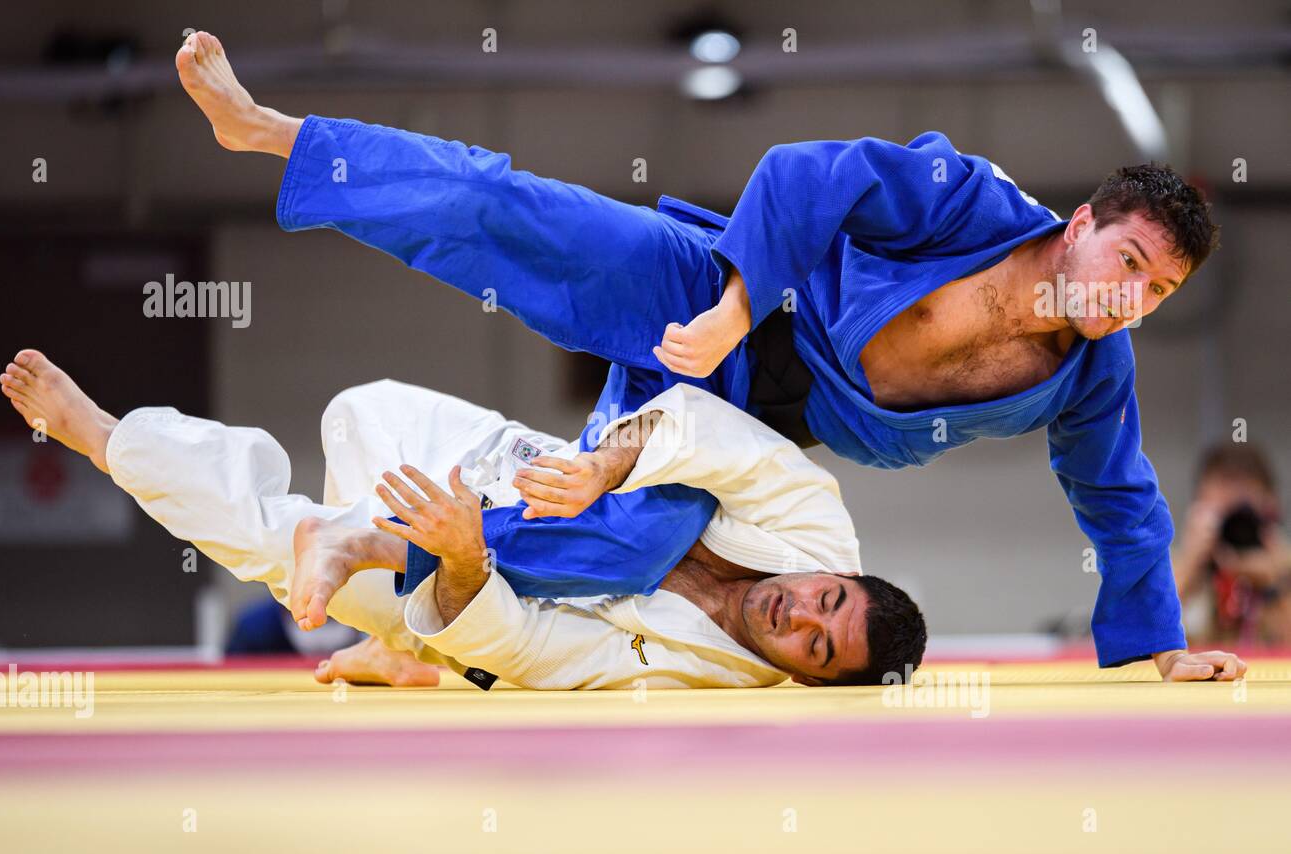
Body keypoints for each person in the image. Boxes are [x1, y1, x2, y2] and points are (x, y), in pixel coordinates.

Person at [172, 31, 1243, 682]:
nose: (1130, 298)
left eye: (1157, 293)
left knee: (621, 553)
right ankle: (273, 131)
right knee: (511, 210)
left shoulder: (1092, 375)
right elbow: (800, 176)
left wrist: (1154, 645)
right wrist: (737, 303)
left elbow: (1121, 502)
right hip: (708, 294)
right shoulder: (967, 202)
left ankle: (377, 573)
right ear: (1079, 223)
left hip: (735, 427)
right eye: (1131, 261)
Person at [0, 349, 927, 690]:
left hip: (467, 577)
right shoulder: (812, 517)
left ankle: (110, 438)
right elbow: (708, 434)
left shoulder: (706, 682)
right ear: (838, 570)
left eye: (814, 646)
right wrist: (603, 465)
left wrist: (463, 564)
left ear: (806, 682)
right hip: (528, 478)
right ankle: (399, 626)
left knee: (272, 545)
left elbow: (544, 658)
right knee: (361, 410)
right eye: (827, 598)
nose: (798, 612)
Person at [1175, 444, 1291, 647]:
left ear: (1271, 511)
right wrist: (1188, 568)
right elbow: (1135, 644)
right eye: (1223, 517)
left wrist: (1274, 585)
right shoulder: (1178, 573)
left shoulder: (1284, 569)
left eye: (1243, 518)